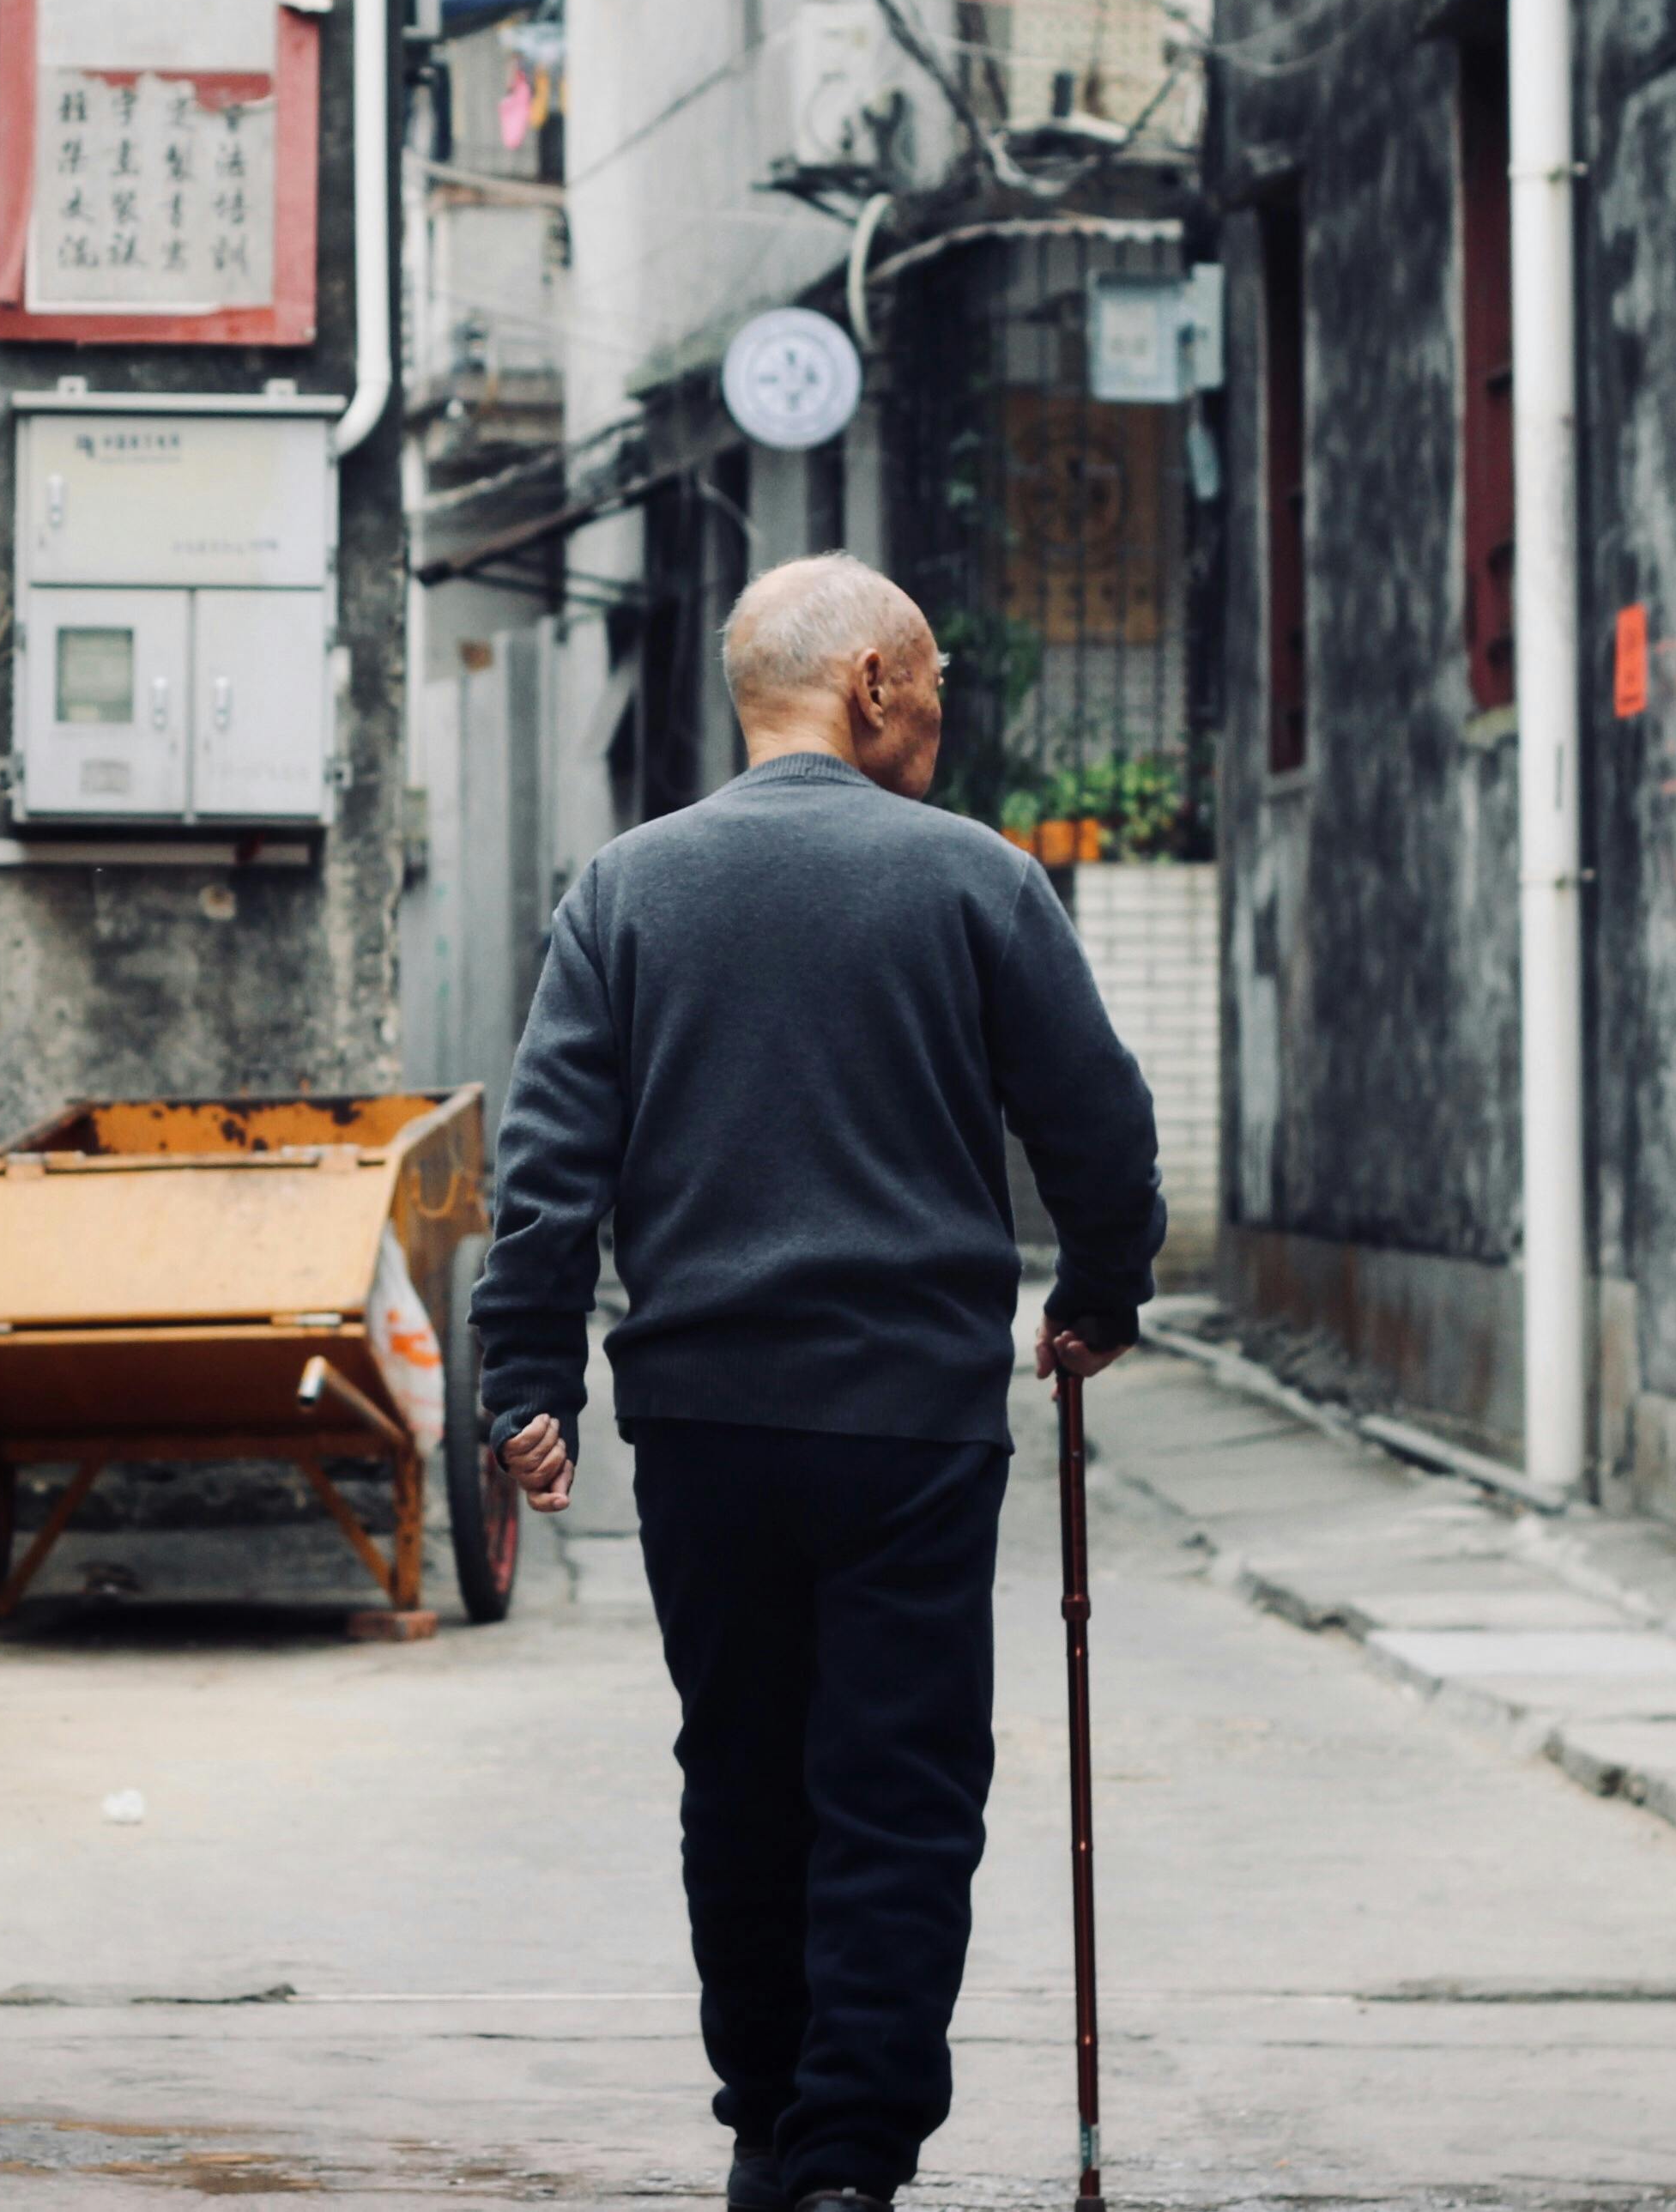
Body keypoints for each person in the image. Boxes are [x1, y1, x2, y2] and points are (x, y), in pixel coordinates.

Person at [469, 552, 1165, 2212]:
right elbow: (1103, 1127)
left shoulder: (625, 891)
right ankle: (852, 2160)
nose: (941, 707)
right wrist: (1099, 1290)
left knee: (743, 1774)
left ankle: (768, 2127)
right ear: (869, 684)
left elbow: (548, 1163)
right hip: (911, 1425)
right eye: (929, 678)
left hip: (703, 1424)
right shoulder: (980, 884)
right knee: (901, 1792)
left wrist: (526, 1378)